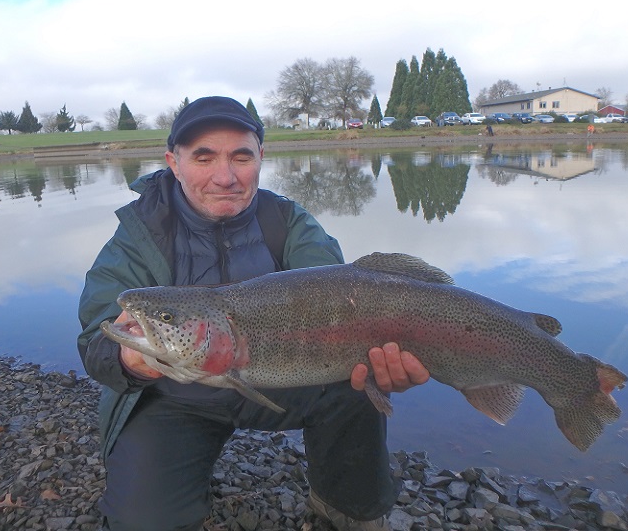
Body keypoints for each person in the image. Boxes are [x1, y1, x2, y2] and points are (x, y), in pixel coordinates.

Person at [77, 96, 430, 531]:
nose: (225, 177)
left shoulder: (288, 222)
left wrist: (388, 354)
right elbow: (97, 340)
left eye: (241, 157)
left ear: (261, 157)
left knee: (356, 379)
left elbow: (343, 297)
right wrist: (129, 360)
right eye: (204, 157)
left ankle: (347, 503)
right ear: (174, 161)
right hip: (173, 398)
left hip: (281, 378)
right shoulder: (138, 236)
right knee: (144, 522)